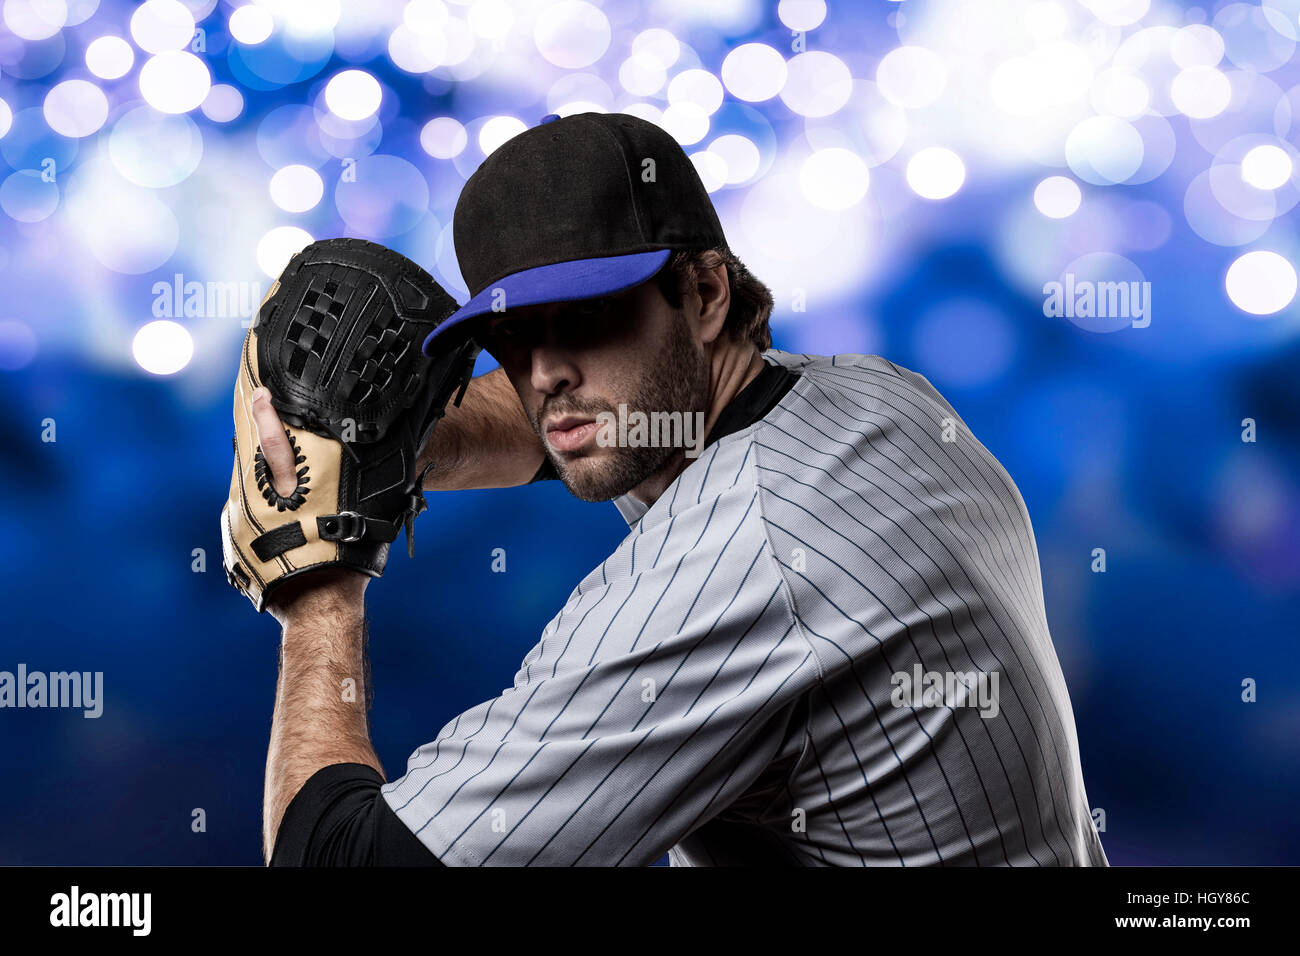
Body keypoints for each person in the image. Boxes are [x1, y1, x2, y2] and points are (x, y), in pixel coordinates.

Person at [255, 112, 1109, 866]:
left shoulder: (750, 563)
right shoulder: (877, 395)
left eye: (586, 315)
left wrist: (317, 573)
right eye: (511, 337)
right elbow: (589, 423)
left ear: (702, 292)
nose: (546, 374)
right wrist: (366, 446)